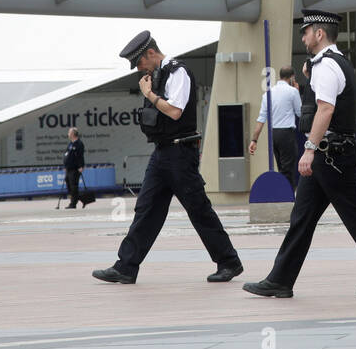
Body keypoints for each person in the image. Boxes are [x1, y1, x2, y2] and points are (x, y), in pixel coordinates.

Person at [244, 10, 356, 299]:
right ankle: (280, 280)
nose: (303, 37)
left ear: (319, 34)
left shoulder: (327, 66)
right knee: (303, 218)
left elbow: (326, 109)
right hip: (330, 153)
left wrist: (309, 149)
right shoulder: (333, 64)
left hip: (329, 154)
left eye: (305, 31)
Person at [93, 31, 243, 284]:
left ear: (151, 53)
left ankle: (229, 262)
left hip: (181, 153)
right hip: (163, 152)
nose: (139, 69)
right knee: (146, 208)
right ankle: (126, 267)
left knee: (198, 209)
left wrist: (150, 95)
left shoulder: (177, 72)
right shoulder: (158, 76)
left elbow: (174, 111)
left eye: (139, 62)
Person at [249, 66, 302, 194]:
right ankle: (288, 197)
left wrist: (254, 140)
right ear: (292, 77)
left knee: (281, 168)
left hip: (273, 135)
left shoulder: (268, 93)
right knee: (288, 169)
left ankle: (282, 195)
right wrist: (297, 92)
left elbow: (261, 118)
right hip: (287, 134)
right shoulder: (292, 92)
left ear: (280, 76)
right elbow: (300, 112)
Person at [62, 127, 94, 208]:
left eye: (69, 132)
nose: (68, 134)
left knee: (74, 185)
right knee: (69, 184)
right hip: (69, 168)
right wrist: (65, 165)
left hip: (75, 168)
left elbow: (80, 156)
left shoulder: (79, 144)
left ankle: (73, 203)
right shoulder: (70, 144)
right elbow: (67, 155)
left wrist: (81, 166)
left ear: (73, 134)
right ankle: (80, 198)